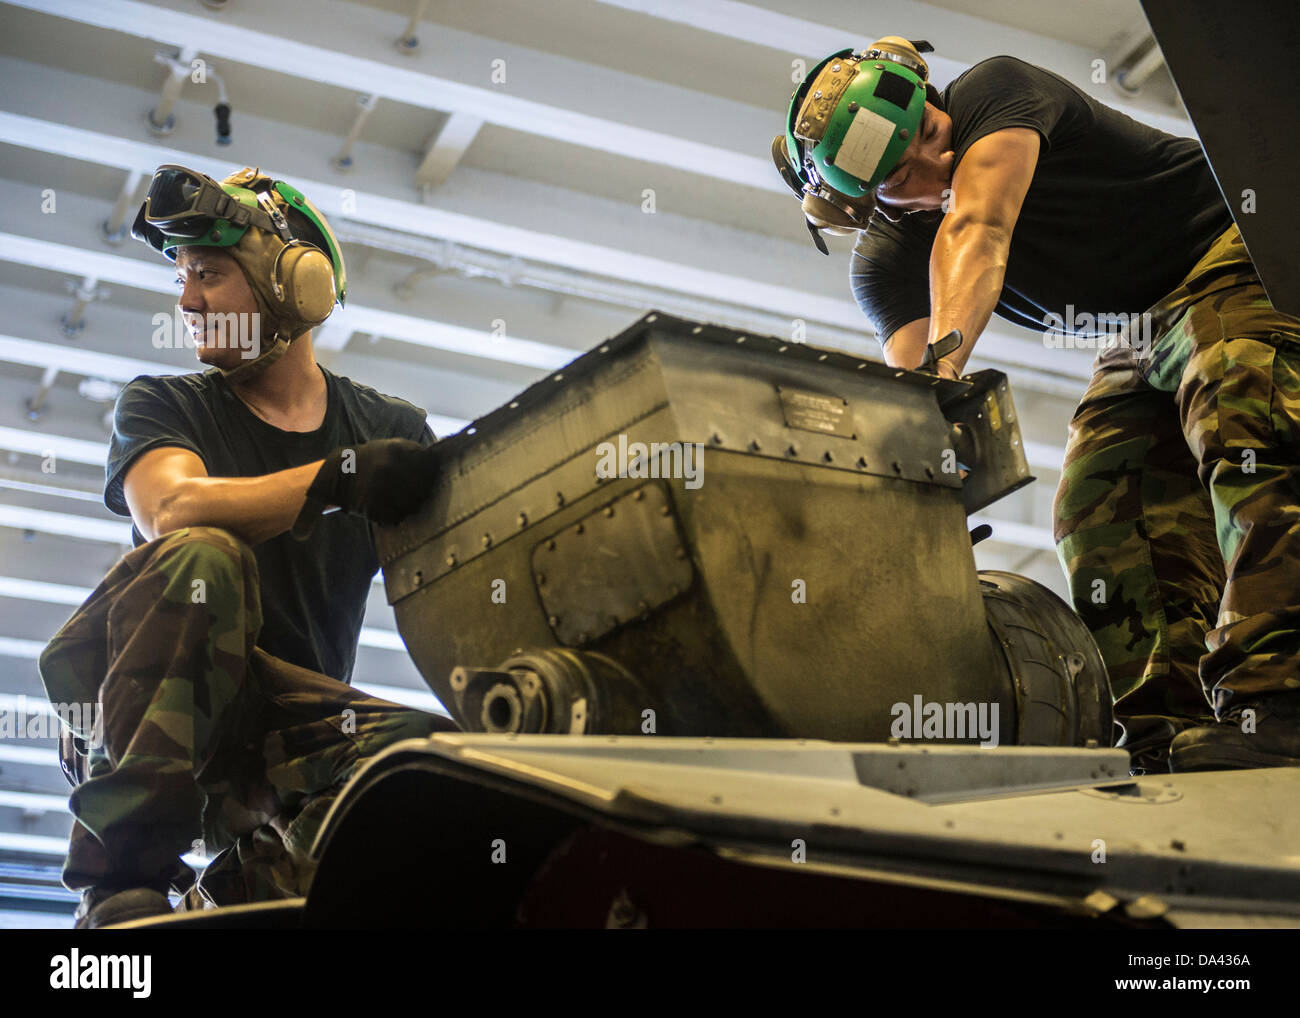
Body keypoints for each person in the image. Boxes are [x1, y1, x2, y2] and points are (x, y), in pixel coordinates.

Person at [772, 37, 1300, 774]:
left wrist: (946, 368)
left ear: (932, 97)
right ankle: (1164, 737)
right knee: (1100, 502)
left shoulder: (996, 91)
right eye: (901, 177)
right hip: (1142, 325)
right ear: (863, 204)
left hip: (1234, 251)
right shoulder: (887, 264)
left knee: (1243, 400)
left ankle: (1280, 701)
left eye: (929, 133)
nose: (937, 167)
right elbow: (909, 408)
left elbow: (978, 226)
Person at [39, 164, 455, 929]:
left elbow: (466, 566)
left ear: (292, 284)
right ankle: (122, 885)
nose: (187, 300)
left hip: (285, 727)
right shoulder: (162, 404)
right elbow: (170, 509)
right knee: (207, 556)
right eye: (182, 275)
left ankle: (251, 889)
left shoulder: (383, 428)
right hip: (159, 708)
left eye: (209, 273)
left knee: (432, 759)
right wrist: (334, 482)